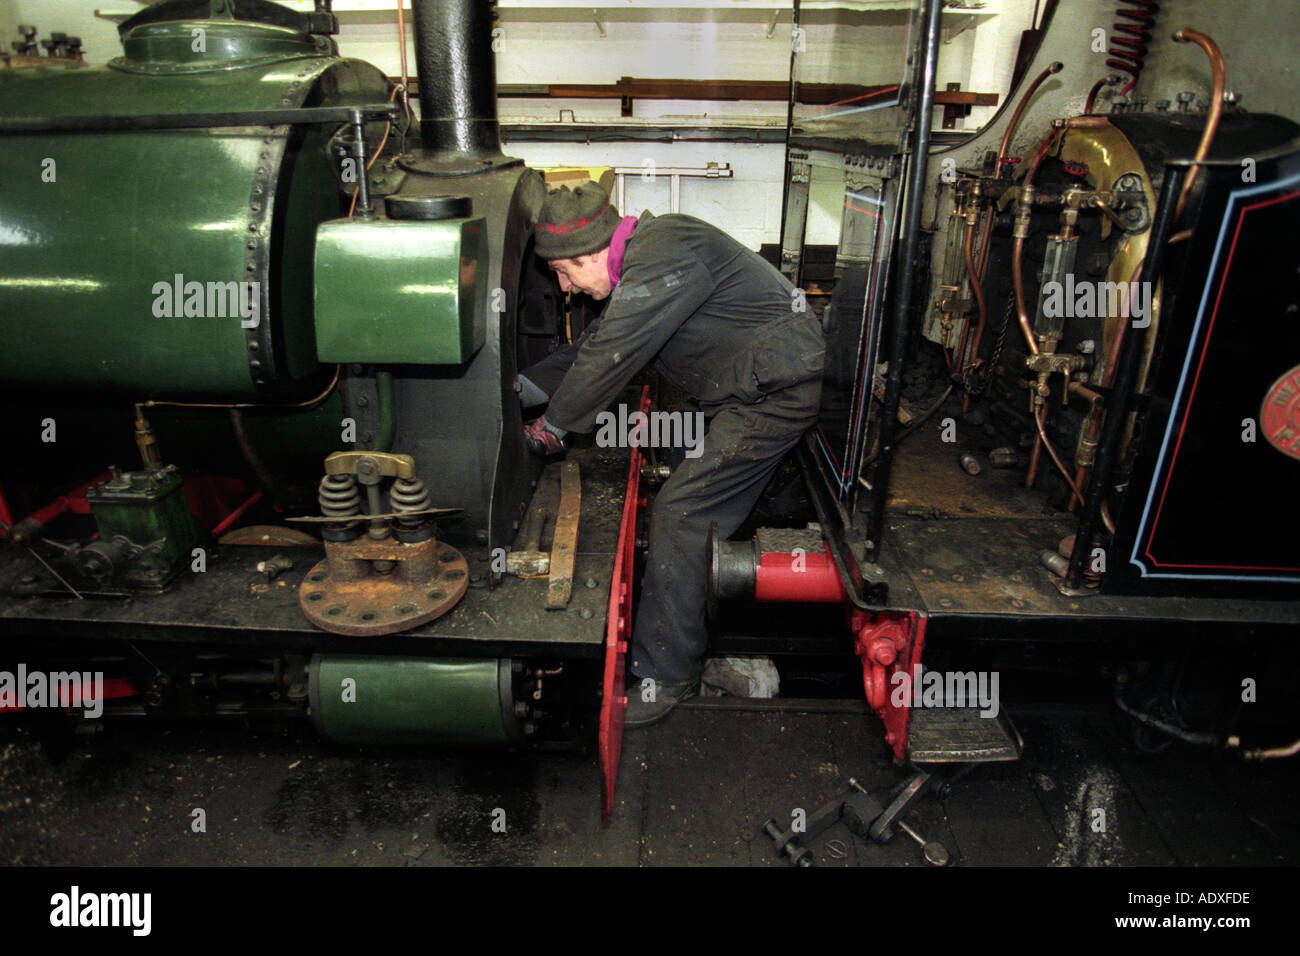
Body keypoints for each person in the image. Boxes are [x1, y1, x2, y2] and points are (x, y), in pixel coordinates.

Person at [520, 180, 825, 728]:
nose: (565, 287)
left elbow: (613, 353)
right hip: (741, 389)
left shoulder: (664, 252)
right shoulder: (649, 258)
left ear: (591, 253)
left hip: (775, 396)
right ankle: (691, 632)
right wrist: (517, 390)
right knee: (681, 493)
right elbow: (593, 348)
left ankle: (668, 678)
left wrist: (553, 428)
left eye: (565, 272)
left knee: (682, 514)